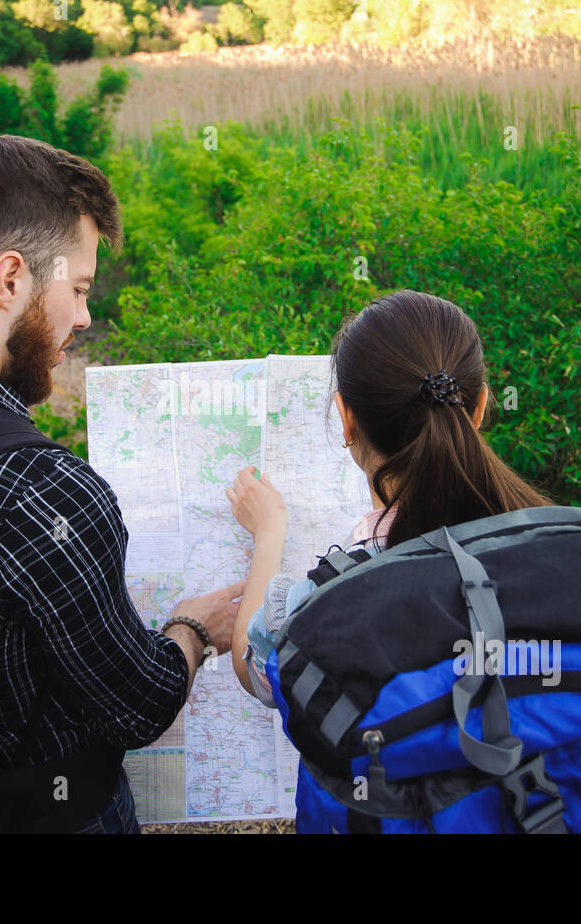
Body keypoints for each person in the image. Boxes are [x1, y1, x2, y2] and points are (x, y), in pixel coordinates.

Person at [0, 135, 242, 833]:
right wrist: (194, 628)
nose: (85, 317)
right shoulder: (43, 491)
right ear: (11, 279)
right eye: (80, 288)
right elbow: (139, 703)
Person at [229, 290, 554, 711]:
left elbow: (253, 664)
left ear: (347, 420)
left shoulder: (331, 599)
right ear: (479, 409)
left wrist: (268, 535)